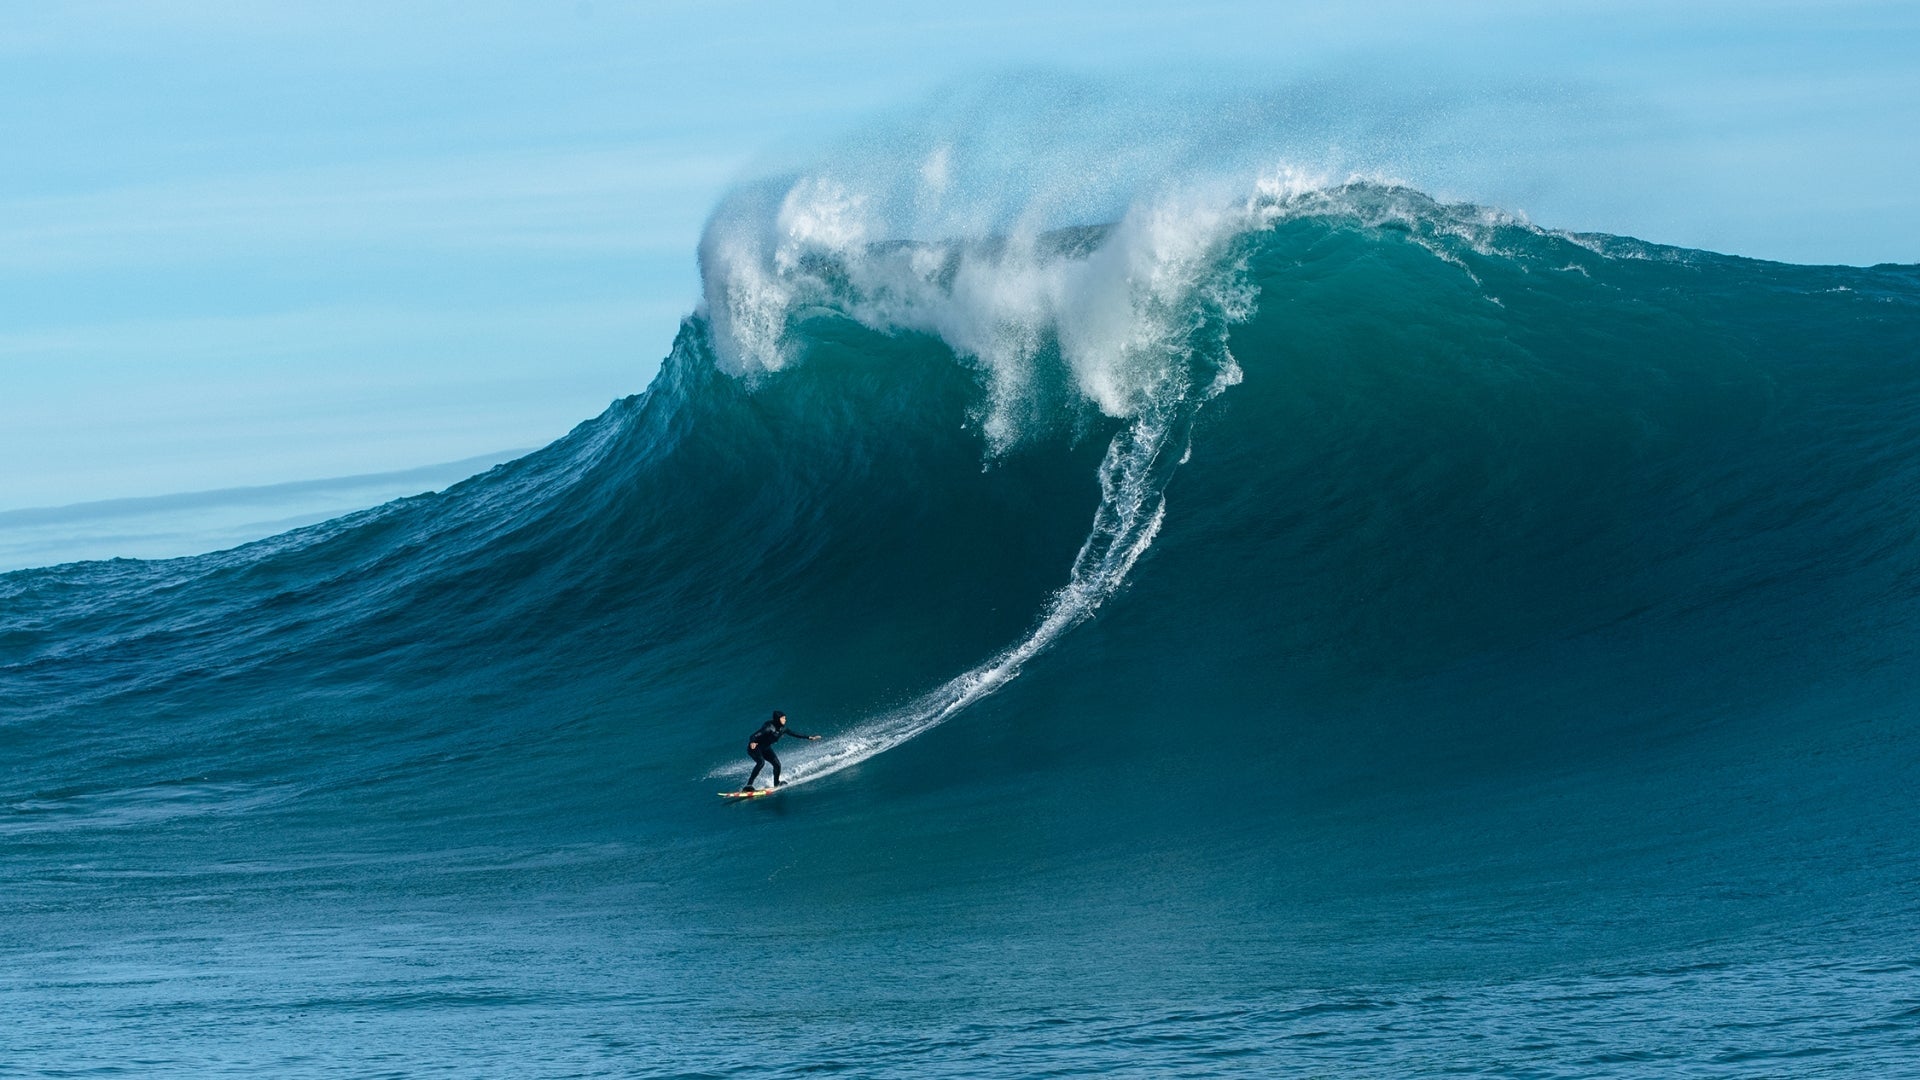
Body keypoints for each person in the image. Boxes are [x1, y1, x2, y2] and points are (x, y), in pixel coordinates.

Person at [742, 710, 819, 791]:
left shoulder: (783, 729)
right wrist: (752, 742)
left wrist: (809, 737)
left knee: (777, 764)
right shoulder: (768, 728)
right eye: (783, 718)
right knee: (761, 762)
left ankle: (776, 783)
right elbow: (754, 735)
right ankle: (749, 785)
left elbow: (794, 733)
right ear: (778, 719)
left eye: (785, 718)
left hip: (766, 748)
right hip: (755, 748)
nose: (785, 720)